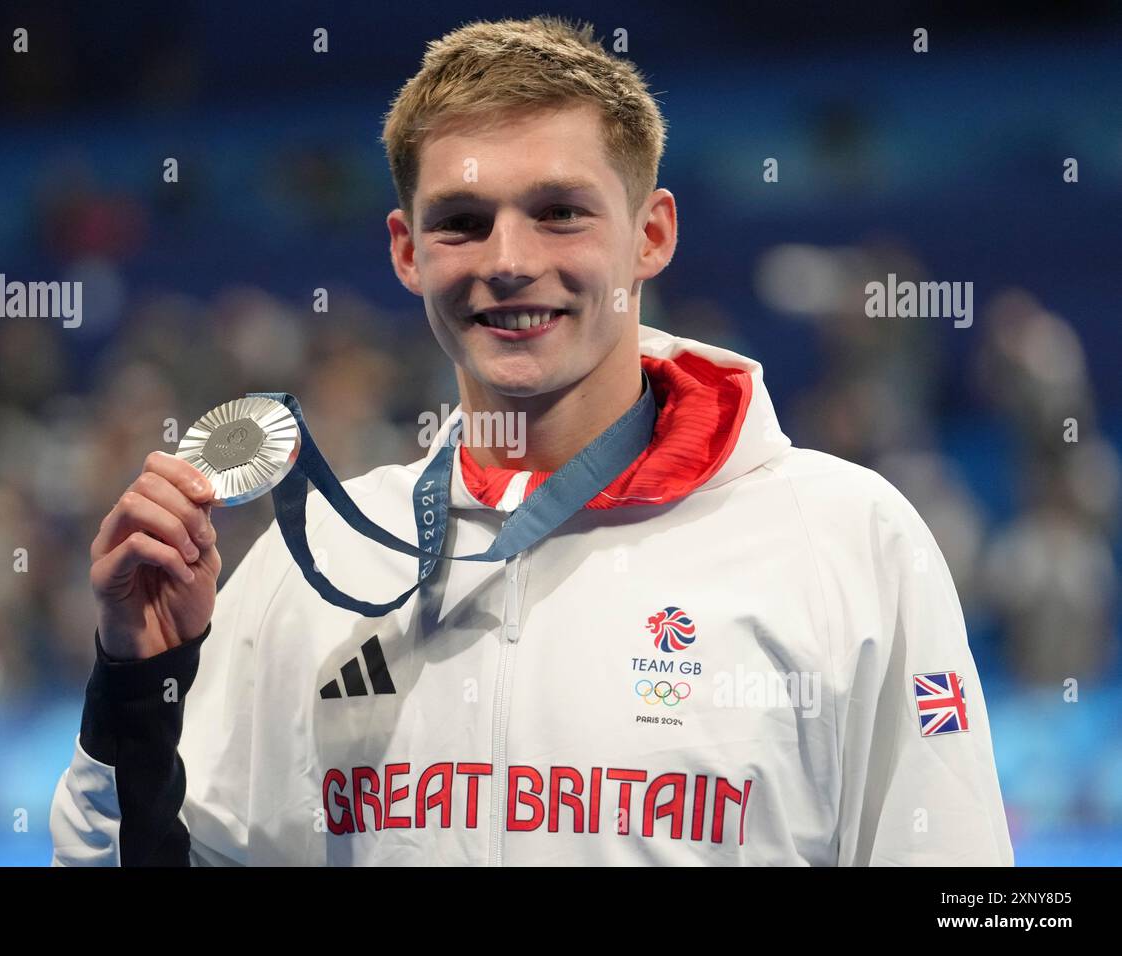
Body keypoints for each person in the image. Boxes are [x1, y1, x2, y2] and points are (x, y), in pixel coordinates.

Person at [50, 15, 1013, 866]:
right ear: (407, 252)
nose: (510, 262)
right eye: (463, 224)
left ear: (650, 235)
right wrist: (141, 687)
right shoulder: (309, 572)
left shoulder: (848, 543)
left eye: (559, 212)